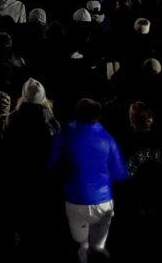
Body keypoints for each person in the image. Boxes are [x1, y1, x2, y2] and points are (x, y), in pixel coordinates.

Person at [47, 97, 129, 262]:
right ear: (97, 116)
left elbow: (50, 164)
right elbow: (120, 173)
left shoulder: (64, 136)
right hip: (103, 204)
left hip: (75, 201)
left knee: (82, 246)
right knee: (98, 248)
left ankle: (83, 253)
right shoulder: (108, 139)